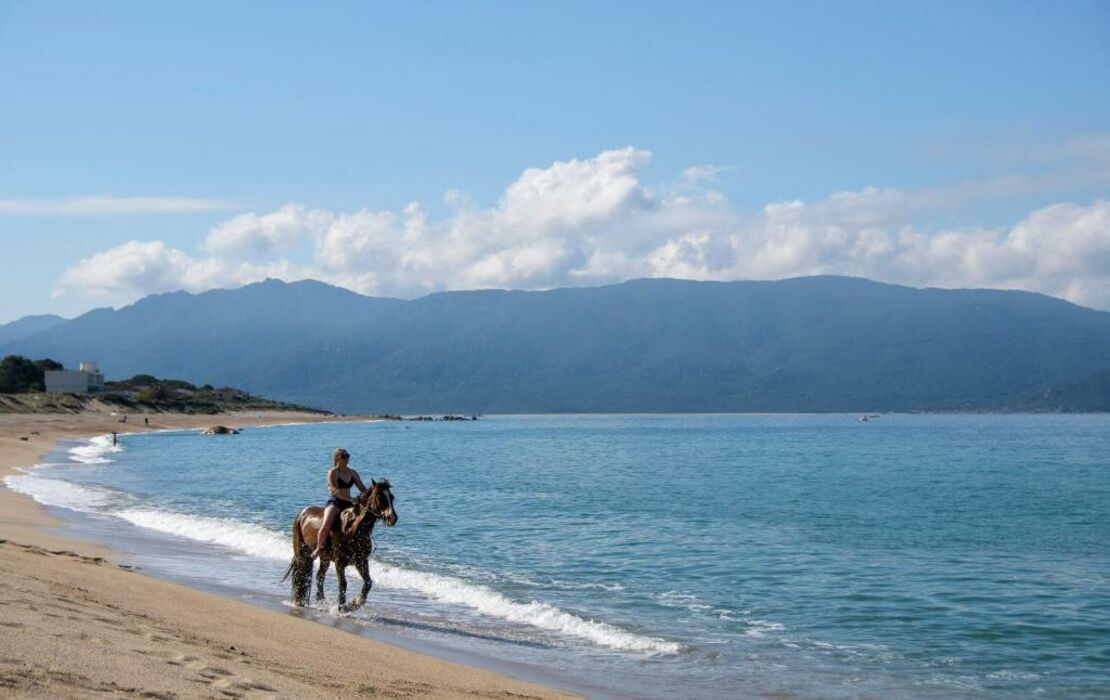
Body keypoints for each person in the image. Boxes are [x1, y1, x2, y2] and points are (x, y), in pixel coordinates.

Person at [309, 448, 368, 559]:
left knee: (362, 522)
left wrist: (369, 494)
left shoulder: (352, 473)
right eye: (344, 457)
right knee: (326, 524)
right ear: (337, 459)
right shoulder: (333, 472)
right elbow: (335, 490)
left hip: (349, 504)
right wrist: (351, 499)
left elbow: (363, 489)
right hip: (335, 502)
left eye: (348, 456)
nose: (347, 459)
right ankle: (319, 548)